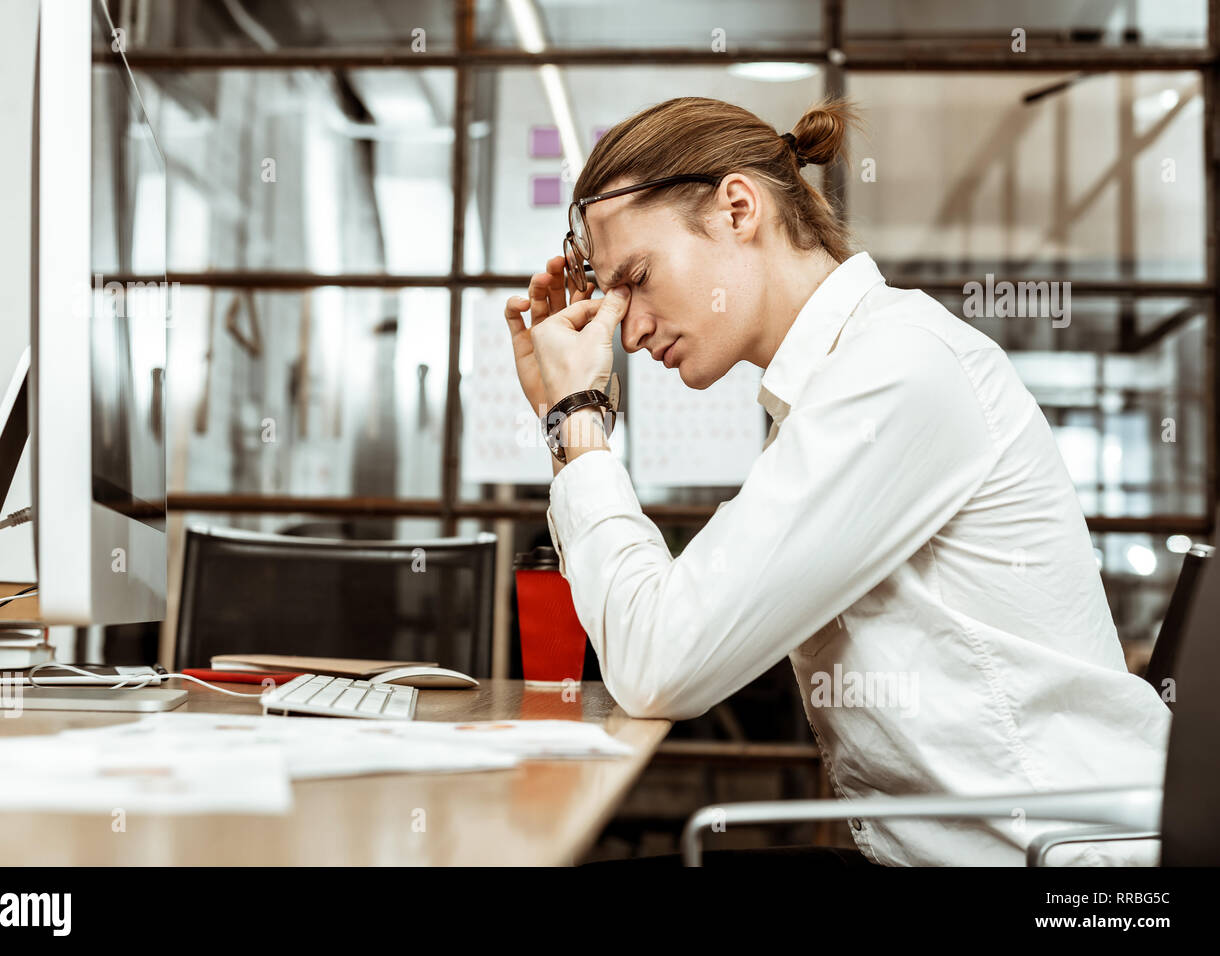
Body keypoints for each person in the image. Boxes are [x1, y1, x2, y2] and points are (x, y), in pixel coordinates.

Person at [501, 96, 1171, 866]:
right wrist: (566, 422)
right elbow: (662, 647)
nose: (626, 329)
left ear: (738, 208)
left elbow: (659, 665)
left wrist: (577, 413)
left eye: (638, 277)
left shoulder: (895, 373)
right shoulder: (846, 378)